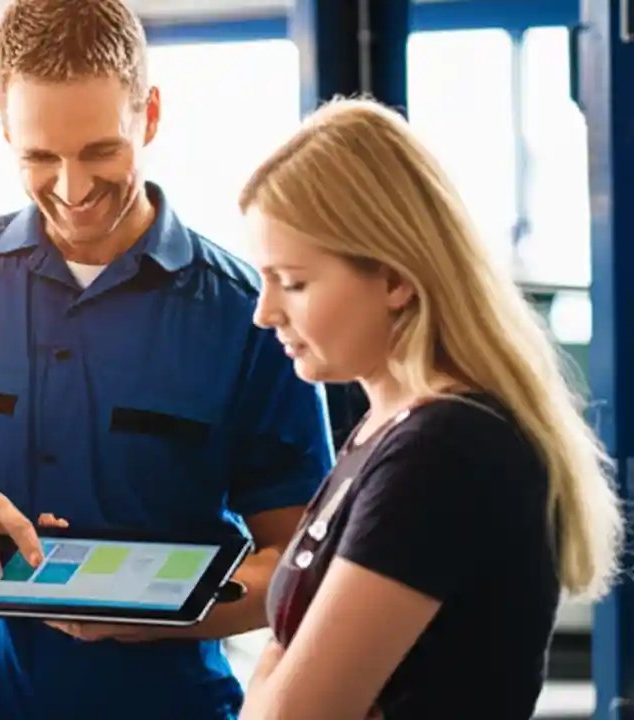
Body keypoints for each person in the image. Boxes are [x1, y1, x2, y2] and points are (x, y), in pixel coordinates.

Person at [0, 1, 334, 717]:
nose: (72, 189)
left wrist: (157, 612)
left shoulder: (248, 313)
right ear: (5, 131)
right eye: (40, 157)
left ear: (148, 117)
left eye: (99, 152)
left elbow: (300, 566)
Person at [235, 98, 625, 719]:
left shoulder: (442, 451)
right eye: (265, 278)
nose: (265, 311)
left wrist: (284, 679)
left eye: (295, 281)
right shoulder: (385, 429)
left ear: (394, 279)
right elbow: (284, 655)